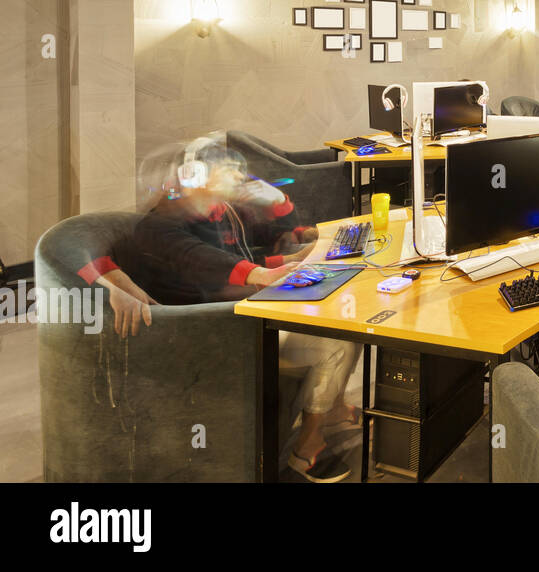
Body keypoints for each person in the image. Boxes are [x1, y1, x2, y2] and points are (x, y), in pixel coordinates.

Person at [79, 137, 361, 482]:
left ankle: (328, 411)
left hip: (235, 314)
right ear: (197, 175)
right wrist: (262, 273)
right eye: (232, 173)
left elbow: (268, 241)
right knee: (336, 335)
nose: (241, 181)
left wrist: (282, 215)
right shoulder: (161, 224)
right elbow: (197, 258)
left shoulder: (220, 212)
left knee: (342, 312)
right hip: (209, 336)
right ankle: (306, 451)